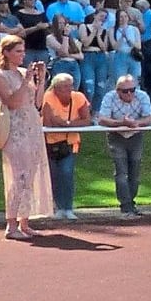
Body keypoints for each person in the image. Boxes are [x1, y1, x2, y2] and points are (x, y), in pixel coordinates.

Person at [0, 37, 53, 239]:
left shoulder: (22, 72)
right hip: (15, 130)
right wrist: (26, 82)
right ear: (6, 52)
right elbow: (12, 103)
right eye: (18, 51)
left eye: (23, 51)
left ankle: (24, 222)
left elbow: (37, 102)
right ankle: (11, 224)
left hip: (32, 127)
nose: (22, 55)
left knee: (30, 176)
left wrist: (40, 79)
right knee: (18, 177)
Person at [97, 74, 151, 218]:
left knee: (134, 173)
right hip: (116, 135)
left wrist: (136, 123)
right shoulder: (109, 97)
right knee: (121, 172)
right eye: (125, 91)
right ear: (118, 91)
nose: (129, 93)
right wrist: (121, 123)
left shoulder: (142, 96)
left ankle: (131, 203)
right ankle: (126, 206)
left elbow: (150, 118)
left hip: (136, 135)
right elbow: (102, 119)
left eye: (132, 90)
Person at [41, 72, 91, 220]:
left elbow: (86, 120)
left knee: (67, 174)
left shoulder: (79, 97)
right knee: (54, 176)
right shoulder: (48, 96)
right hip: (50, 143)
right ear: (55, 88)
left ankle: (68, 207)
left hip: (70, 142)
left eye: (70, 86)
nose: (68, 90)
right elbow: (48, 122)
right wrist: (67, 123)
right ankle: (58, 207)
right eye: (64, 87)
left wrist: (66, 123)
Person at [45, 13, 83, 90]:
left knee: (74, 90)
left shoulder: (72, 39)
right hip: (60, 64)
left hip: (74, 65)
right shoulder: (50, 38)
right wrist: (65, 36)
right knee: (60, 89)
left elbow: (81, 56)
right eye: (60, 23)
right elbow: (64, 51)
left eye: (64, 23)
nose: (62, 25)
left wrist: (69, 55)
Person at [14, 0, 50, 66]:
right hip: (27, 48)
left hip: (42, 48)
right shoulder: (19, 14)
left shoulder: (41, 14)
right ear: (24, 0)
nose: (33, 1)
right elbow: (20, 32)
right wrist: (36, 28)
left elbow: (47, 29)